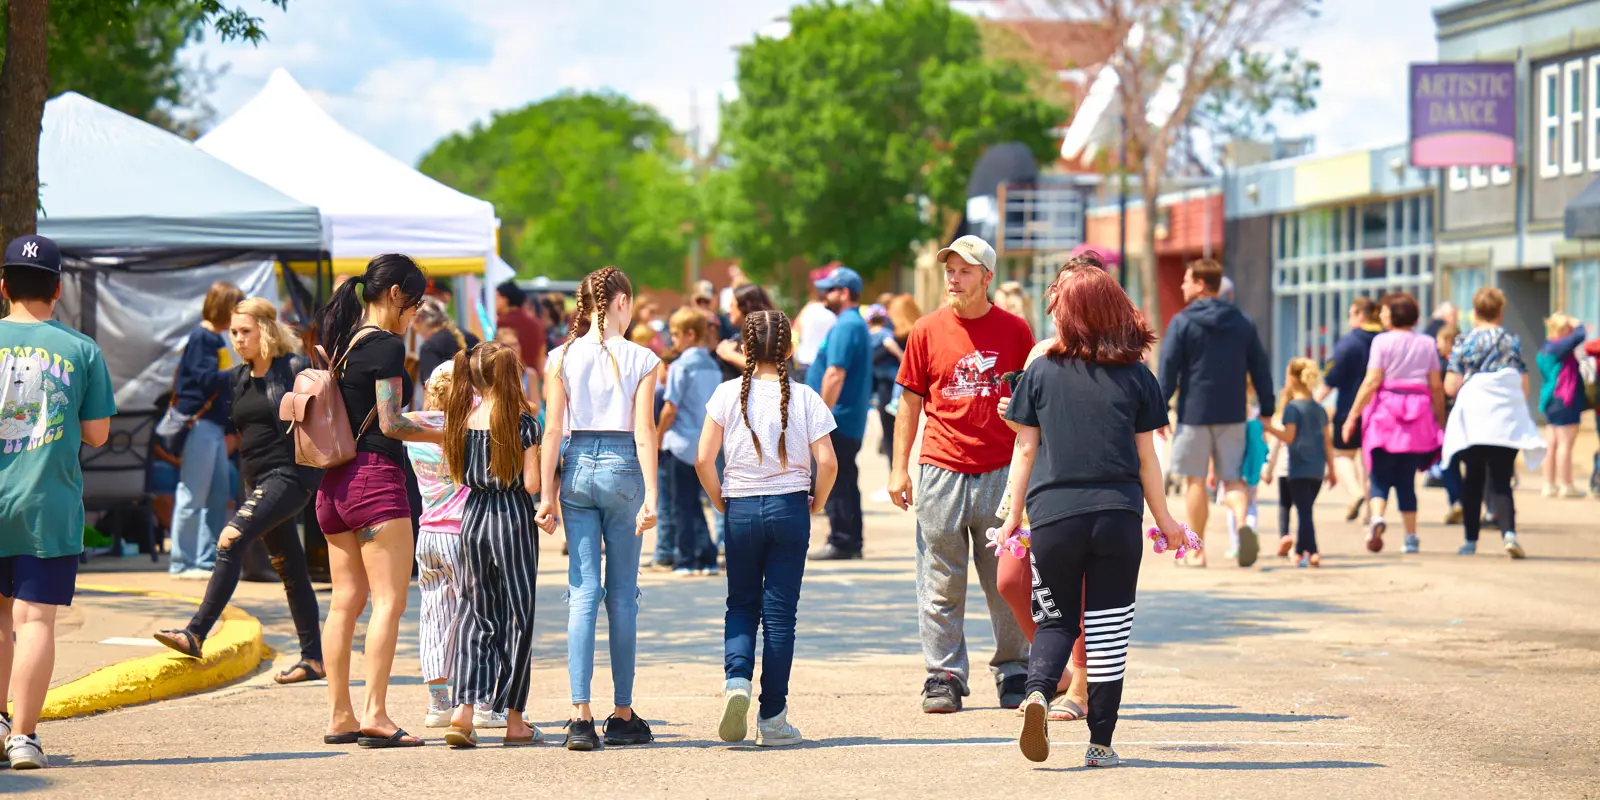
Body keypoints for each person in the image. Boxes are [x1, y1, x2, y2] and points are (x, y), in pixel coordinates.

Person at [996, 263, 1182, 768]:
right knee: (1108, 632)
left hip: (1055, 515)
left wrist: (1014, 516)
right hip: (1118, 516)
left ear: (1068, 313)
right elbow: (1148, 459)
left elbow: (1025, 452)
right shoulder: (1138, 377)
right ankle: (1100, 744)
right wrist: (1166, 521)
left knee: (1055, 619)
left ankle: (1036, 693)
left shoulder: (1039, 373)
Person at [888, 235, 1034, 713]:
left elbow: (1037, 402)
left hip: (1001, 472)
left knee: (1006, 580)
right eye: (950, 269)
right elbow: (909, 403)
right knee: (939, 581)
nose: (954, 277)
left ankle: (1014, 669)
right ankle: (944, 674)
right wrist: (898, 469)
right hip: (941, 470)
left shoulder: (1015, 332)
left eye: (965, 270)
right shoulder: (926, 330)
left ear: (986, 277)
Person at [153, 298, 325, 684]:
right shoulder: (238, 378)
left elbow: (320, 421)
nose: (237, 339)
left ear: (265, 329)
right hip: (257, 480)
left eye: (245, 331)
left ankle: (195, 632)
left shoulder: (294, 369)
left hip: (289, 477)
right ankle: (313, 659)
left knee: (230, 540)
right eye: (233, 332)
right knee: (292, 571)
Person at [0, 234, 116, 770]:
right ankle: (23, 737)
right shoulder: (82, 349)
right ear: (59, 288)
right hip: (47, 502)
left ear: (3, 287)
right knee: (35, 620)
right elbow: (96, 435)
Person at [316, 254, 440, 749]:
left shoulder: (343, 344)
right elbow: (392, 422)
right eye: (415, 302)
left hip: (332, 487)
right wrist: (446, 427)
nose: (415, 312)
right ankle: (376, 714)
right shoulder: (387, 347)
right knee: (389, 601)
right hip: (375, 480)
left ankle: (340, 715)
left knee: (344, 603)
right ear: (395, 296)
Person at [698, 309, 838, 747]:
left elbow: (703, 459)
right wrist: (819, 502)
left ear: (743, 349)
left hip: (740, 506)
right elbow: (829, 461)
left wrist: (721, 499)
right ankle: (773, 718)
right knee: (780, 618)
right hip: (790, 508)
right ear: (790, 350)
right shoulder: (806, 397)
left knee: (740, 605)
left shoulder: (724, 395)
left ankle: (736, 680)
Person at [535, 266, 661, 751]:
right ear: (623, 302)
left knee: (583, 592)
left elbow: (552, 431)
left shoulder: (560, 356)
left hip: (577, 466)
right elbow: (645, 431)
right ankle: (623, 712)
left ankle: (579, 714)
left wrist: (546, 494)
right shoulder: (642, 358)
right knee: (623, 595)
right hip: (624, 464)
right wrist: (652, 495)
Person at [438, 342, 543, 748]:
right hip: (512, 517)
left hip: (474, 517)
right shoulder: (522, 423)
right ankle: (514, 719)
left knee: (474, 612)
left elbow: (458, 477)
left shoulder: (462, 419)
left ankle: (463, 714)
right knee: (519, 615)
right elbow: (532, 484)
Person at [1158, 259, 1275, 567]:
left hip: (1194, 413)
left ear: (1200, 284)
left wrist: (1157, 411)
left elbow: (1168, 369)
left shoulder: (1182, 322)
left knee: (1196, 481)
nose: (1182, 285)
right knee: (1233, 480)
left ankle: (1196, 551)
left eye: (1186, 280)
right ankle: (1242, 520)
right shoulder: (1242, 321)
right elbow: (1260, 367)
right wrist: (1268, 409)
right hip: (1233, 413)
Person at [1342, 292, 1445, 555]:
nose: (1382, 315)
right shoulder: (1427, 343)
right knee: (1406, 480)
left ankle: (1376, 517)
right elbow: (1435, 385)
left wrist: (1353, 414)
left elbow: (1372, 380)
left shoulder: (1381, 342)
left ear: (1395, 314)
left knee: (1379, 474)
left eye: (1386, 311)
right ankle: (1411, 537)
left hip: (1386, 413)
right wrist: (1440, 421)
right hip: (1417, 414)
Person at [1442, 287, 1540, 558]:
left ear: (1474, 312)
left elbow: (1451, 386)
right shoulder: (1512, 341)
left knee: (1473, 479)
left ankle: (1470, 541)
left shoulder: (1464, 341)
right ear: (1500, 312)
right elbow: (1523, 384)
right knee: (1501, 479)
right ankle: (1509, 534)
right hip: (1504, 419)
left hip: (1474, 420)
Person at [167, 281, 245, 577]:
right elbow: (204, 379)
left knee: (215, 494)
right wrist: (238, 374)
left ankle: (204, 558)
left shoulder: (210, 337)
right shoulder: (204, 338)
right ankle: (183, 560)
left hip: (211, 426)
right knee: (194, 494)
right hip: (200, 425)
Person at [805, 266, 873, 561]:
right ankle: (849, 539)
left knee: (836, 478)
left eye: (830, 290)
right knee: (845, 477)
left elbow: (835, 374)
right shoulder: (850, 323)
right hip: (845, 417)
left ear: (844, 293)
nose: (824, 295)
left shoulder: (846, 325)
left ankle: (843, 540)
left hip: (839, 418)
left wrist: (818, 416)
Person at [659, 308, 723, 576]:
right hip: (707, 442)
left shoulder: (680, 366)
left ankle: (686, 557)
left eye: (675, 334)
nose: (672, 340)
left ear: (690, 334)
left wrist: (657, 433)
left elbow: (671, 406)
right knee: (698, 502)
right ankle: (706, 555)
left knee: (681, 504)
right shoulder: (712, 365)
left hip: (680, 441)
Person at [1260, 358, 1337, 568]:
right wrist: (1332, 469)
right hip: (1317, 469)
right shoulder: (1319, 409)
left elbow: (1289, 437)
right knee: (1306, 510)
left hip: (1298, 468)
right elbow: (1327, 442)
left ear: (1293, 379)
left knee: (1304, 512)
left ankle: (1311, 551)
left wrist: (1267, 427)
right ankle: (1302, 550)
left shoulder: (1292, 408)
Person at [1316, 297, 1382, 523]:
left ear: (1360, 316)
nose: (1350, 319)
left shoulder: (1349, 342)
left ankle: (1355, 494)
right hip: (1379, 410)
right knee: (1368, 460)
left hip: (1348, 409)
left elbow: (1332, 376)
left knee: (1342, 455)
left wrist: (1315, 400)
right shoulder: (1384, 340)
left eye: (1351, 314)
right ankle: (1371, 510)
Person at [1537, 313, 1589, 498]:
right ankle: (1567, 485)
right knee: (1565, 444)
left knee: (1552, 444)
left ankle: (1549, 484)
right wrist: (1577, 322)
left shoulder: (1546, 348)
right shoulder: (1560, 347)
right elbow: (1581, 335)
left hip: (1550, 400)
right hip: (1564, 399)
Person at [867, 303, 904, 475]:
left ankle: (880, 433)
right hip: (889, 379)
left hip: (878, 382)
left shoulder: (868, 336)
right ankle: (895, 402)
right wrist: (902, 357)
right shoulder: (885, 333)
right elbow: (890, 343)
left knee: (877, 415)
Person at [714, 283, 776, 382]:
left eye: (732, 305)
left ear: (745, 307)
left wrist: (730, 354)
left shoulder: (768, 335)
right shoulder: (739, 337)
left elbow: (768, 370)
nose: (729, 311)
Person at [414, 297, 479, 388]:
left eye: (412, 324)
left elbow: (431, 392)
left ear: (419, 319)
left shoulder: (429, 347)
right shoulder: (469, 336)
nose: (415, 331)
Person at [494, 280, 547, 377]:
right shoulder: (536, 324)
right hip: (533, 379)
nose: (493, 301)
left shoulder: (500, 323)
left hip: (508, 380)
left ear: (504, 300)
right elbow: (541, 356)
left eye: (496, 297)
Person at [493, 327, 541, 416]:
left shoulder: (529, 374)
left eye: (516, 344)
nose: (514, 348)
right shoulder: (492, 374)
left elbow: (536, 407)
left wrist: (510, 404)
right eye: (509, 345)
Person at [793, 280, 837, 378]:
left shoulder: (807, 309)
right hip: (823, 364)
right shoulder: (833, 314)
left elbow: (796, 331)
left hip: (803, 362)